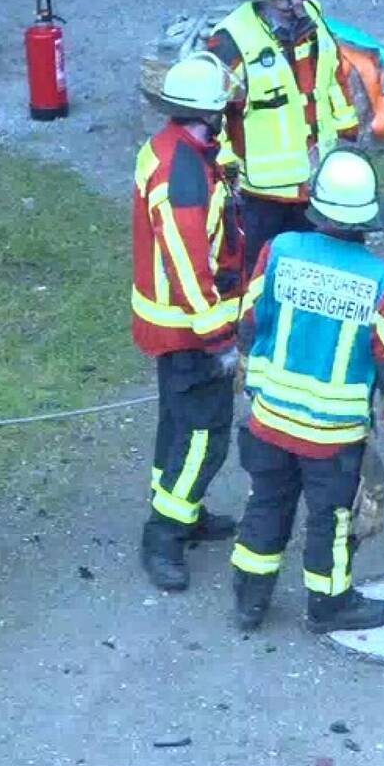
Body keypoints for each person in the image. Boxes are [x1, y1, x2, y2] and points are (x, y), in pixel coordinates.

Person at [229, 149, 384, 633]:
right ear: (368, 221)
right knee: (330, 521)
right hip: (331, 435)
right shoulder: (377, 281)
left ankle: (249, 599)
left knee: (265, 503)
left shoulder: (280, 250)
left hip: (269, 418)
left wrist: (249, 377)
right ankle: (329, 604)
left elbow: (249, 317)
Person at [131, 53, 246, 592]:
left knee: (178, 426)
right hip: (190, 328)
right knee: (204, 434)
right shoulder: (184, 172)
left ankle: (182, 509)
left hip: (172, 325)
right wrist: (219, 338)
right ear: (210, 111)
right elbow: (186, 261)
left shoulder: (172, 150)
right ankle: (166, 534)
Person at [203, 0, 362, 275]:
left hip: (318, 178)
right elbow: (213, 115)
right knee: (263, 275)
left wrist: (347, 133)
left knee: (323, 270)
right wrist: (227, 178)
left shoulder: (313, 19)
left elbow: (332, 78)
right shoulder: (231, 42)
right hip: (262, 194)